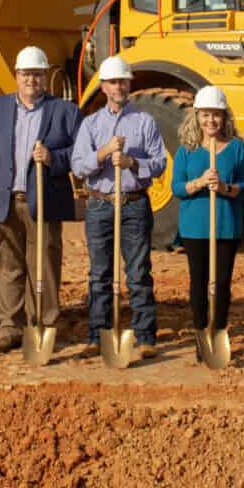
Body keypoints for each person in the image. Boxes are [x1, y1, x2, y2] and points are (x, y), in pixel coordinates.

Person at [0, 46, 80, 353]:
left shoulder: (65, 111)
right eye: (25, 74)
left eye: (37, 74)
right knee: (5, 266)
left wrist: (53, 158)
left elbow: (81, 154)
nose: (31, 80)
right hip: (2, 200)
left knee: (44, 266)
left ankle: (43, 325)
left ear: (45, 76)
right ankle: (9, 328)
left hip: (43, 201)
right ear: (16, 75)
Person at [71, 56, 168, 359]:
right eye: (113, 82)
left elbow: (160, 163)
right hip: (100, 204)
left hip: (134, 204)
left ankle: (145, 336)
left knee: (138, 273)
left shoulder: (144, 121)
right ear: (103, 86)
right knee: (100, 274)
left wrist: (131, 162)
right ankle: (98, 336)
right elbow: (78, 166)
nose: (119, 87)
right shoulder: (90, 124)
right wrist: (103, 153)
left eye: (123, 81)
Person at [170, 85, 244, 361]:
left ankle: (218, 329)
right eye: (205, 115)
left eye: (216, 114)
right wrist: (199, 182)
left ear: (225, 116)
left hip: (226, 226)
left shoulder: (237, 148)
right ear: (197, 116)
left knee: (222, 283)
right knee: (199, 282)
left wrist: (226, 187)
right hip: (195, 227)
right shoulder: (187, 150)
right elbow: (177, 187)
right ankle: (200, 332)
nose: (211, 121)